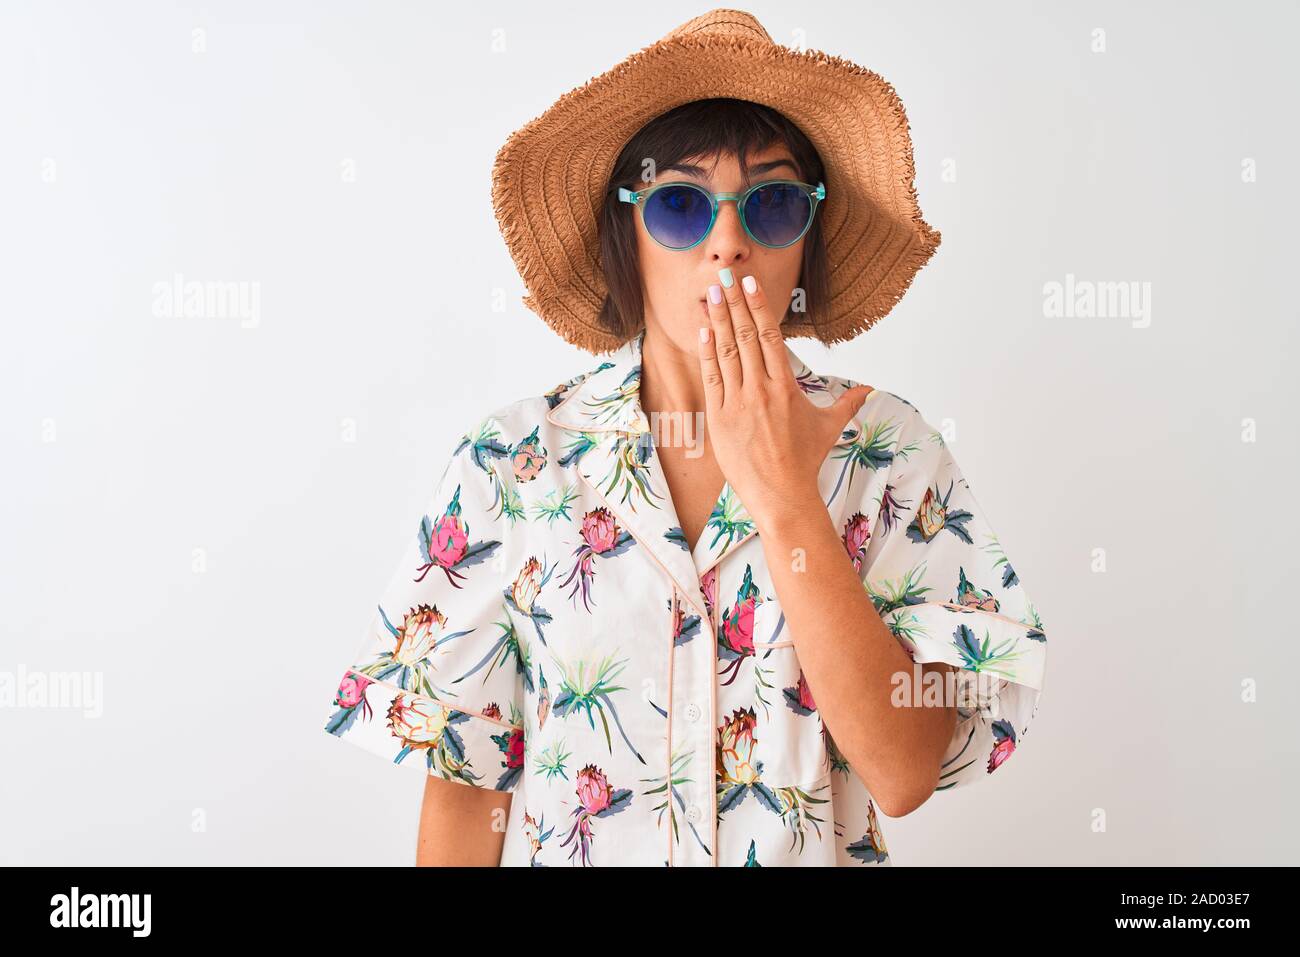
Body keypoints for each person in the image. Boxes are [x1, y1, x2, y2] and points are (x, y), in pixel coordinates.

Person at [322, 8, 1048, 867]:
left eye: (773, 205)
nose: (729, 243)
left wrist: (786, 502)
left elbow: (903, 773)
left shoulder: (887, 448)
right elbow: (466, 783)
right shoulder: (512, 463)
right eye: (679, 206)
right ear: (626, 234)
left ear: (807, 236)